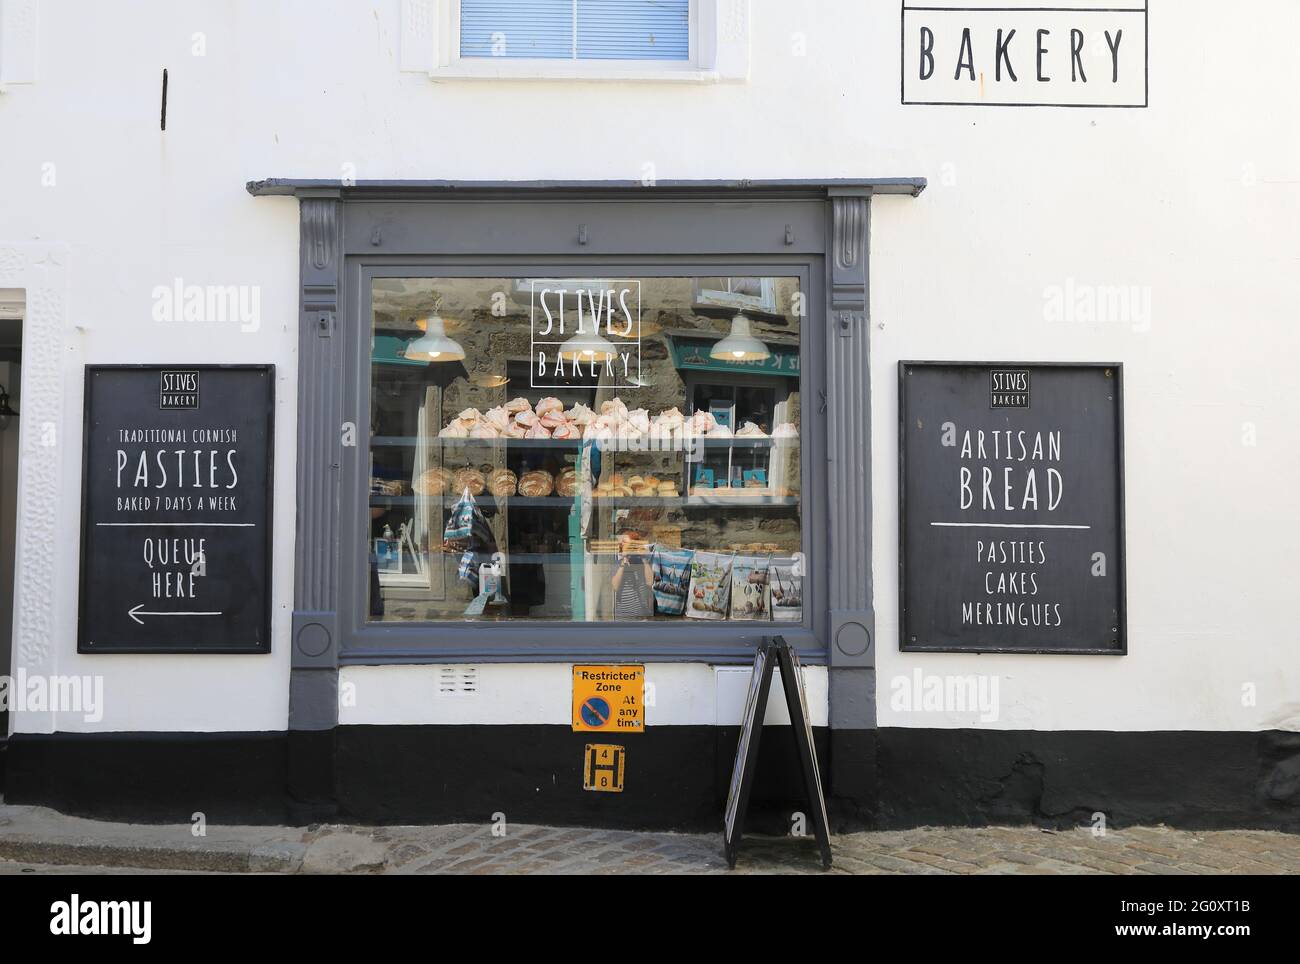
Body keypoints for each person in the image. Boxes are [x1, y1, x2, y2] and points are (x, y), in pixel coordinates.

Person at [611, 550, 654, 620]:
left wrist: (644, 558)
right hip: (624, 619)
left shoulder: (643, 563)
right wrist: (624, 561)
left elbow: (650, 582)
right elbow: (615, 587)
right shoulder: (618, 564)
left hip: (641, 617)